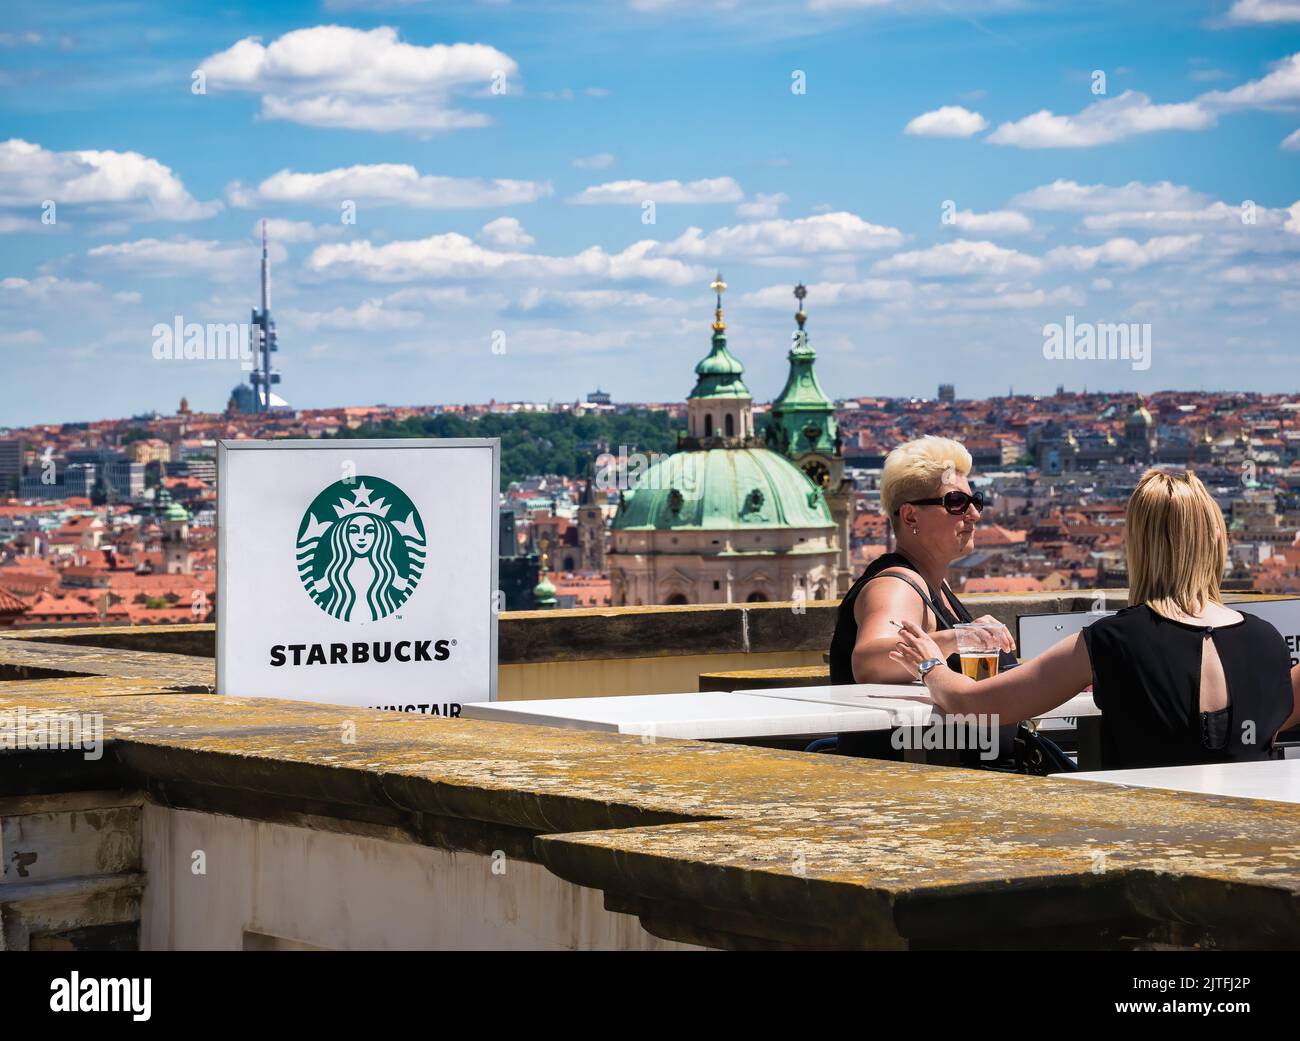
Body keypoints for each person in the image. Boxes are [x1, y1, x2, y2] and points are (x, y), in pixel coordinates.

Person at [892, 470, 1300, 770]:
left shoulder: (1113, 640)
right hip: (1254, 840)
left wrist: (930, 663)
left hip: (1148, 846)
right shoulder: (1267, 641)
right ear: (1216, 539)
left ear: (1137, 546)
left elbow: (974, 705)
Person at [829, 436, 1016, 686]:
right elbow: (869, 663)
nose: (973, 514)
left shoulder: (934, 583)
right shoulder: (898, 586)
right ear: (910, 517)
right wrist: (959, 638)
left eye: (975, 502)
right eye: (957, 503)